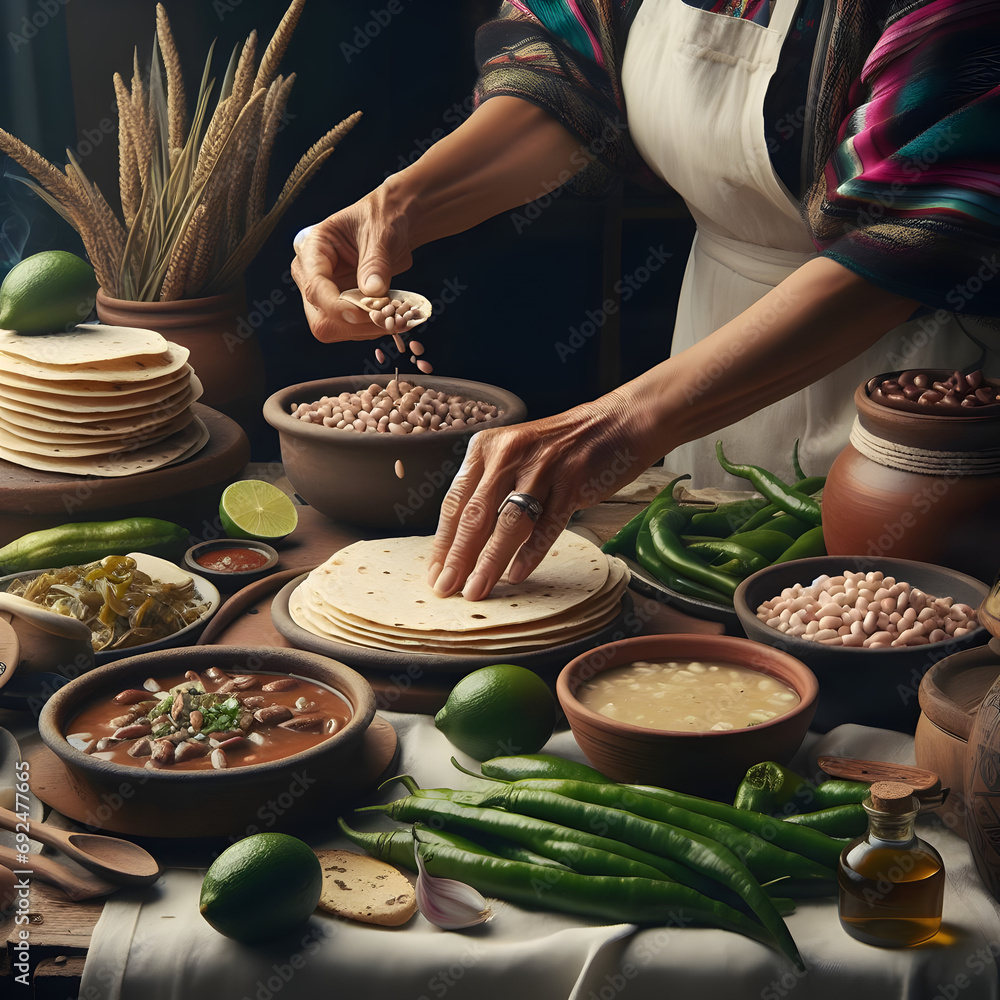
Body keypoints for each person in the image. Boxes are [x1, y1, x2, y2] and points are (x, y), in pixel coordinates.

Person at [291, 0, 1000, 602]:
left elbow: (915, 229)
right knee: (710, 585)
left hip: (924, 379)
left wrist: (626, 419)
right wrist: (401, 205)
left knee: (903, 618)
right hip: (711, 339)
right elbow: (562, 79)